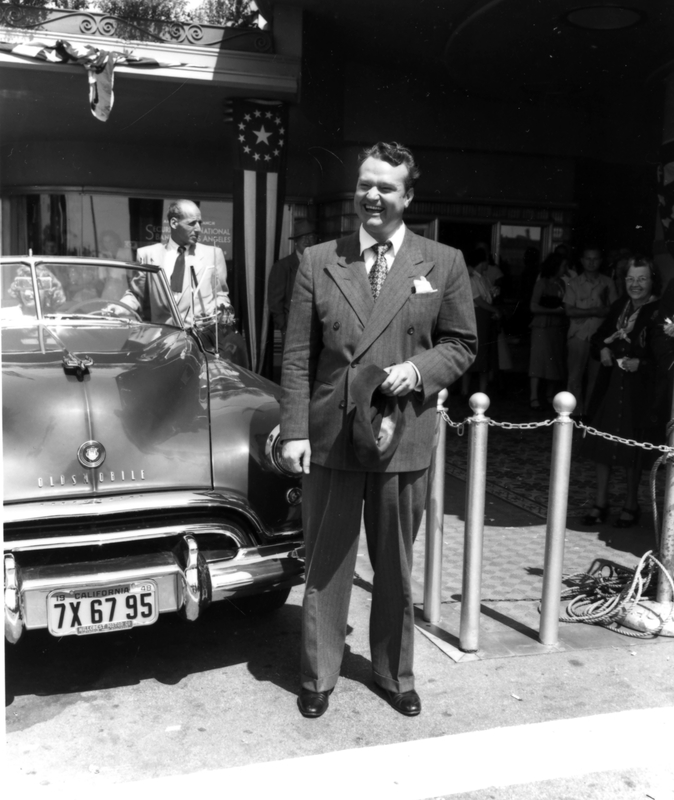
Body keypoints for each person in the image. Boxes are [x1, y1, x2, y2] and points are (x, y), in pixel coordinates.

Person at [280, 141, 477, 719]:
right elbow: (295, 356)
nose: (372, 195)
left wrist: (417, 371)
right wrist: (295, 430)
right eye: (365, 184)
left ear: (407, 196)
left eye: (386, 187)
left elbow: (461, 343)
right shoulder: (318, 260)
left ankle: (394, 672)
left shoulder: (443, 261)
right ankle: (318, 674)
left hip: (402, 433)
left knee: (394, 565)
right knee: (326, 561)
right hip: (333, 435)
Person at [109, 200, 247, 366]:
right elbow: (136, 295)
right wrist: (119, 308)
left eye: (200, 223)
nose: (198, 229)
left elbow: (220, 295)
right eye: (192, 223)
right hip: (162, 346)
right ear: (174, 223)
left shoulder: (213, 254)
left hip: (202, 346)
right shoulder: (148, 254)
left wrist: (223, 308)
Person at [580, 257, 660, 528]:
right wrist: (602, 348)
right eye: (630, 279)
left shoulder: (658, 311)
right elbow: (598, 338)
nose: (635, 285)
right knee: (603, 445)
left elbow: (663, 357)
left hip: (639, 391)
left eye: (642, 279)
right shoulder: (619, 307)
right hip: (612, 387)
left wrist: (642, 363)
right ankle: (600, 502)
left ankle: (631, 503)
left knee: (632, 449)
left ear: (652, 281)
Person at [564, 246, 617, 418]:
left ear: (600, 261)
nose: (591, 262)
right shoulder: (574, 283)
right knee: (574, 377)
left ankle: (590, 414)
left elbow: (614, 310)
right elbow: (569, 311)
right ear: (582, 260)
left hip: (600, 337)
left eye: (595, 259)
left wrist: (586, 311)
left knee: (595, 378)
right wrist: (596, 311)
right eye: (588, 258)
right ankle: (574, 413)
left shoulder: (608, 282)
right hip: (578, 334)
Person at [268, 218, 317, 348]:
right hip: (292, 329)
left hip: (316, 329)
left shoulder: (319, 265)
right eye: (303, 237)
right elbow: (275, 302)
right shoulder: (283, 266)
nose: (307, 241)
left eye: (310, 236)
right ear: (296, 241)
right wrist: (284, 327)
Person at [528, 253, 567, 409]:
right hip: (542, 326)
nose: (566, 269)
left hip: (557, 327)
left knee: (555, 360)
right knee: (538, 361)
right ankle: (534, 396)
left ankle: (550, 394)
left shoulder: (562, 284)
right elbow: (533, 306)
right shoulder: (541, 283)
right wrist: (554, 311)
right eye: (564, 265)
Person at [461, 247, 500, 397]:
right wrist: (494, 310)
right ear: (480, 262)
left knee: (485, 356)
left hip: (484, 319)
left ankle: (482, 391)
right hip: (477, 317)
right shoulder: (471, 279)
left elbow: (487, 296)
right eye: (485, 262)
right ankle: (465, 391)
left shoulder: (483, 279)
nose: (487, 265)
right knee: (474, 353)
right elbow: (477, 299)